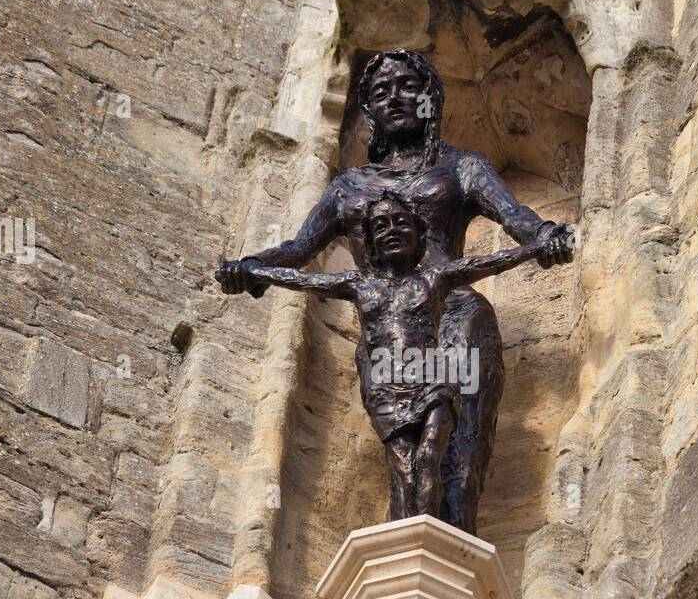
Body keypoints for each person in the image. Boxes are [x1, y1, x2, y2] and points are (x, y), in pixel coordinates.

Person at [216, 49, 575, 533]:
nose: (396, 98)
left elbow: (517, 220)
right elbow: (301, 248)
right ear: (368, 110)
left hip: (456, 312)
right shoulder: (350, 186)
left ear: (431, 98)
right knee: (404, 451)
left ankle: (452, 547)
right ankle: (409, 552)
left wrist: (545, 237)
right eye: (381, 92)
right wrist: (252, 267)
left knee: (457, 448)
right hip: (388, 326)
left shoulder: (462, 167)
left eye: (409, 86)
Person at [220, 192, 558, 521]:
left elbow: (489, 262)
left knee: (428, 457)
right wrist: (254, 271)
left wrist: (537, 247)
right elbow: (302, 277)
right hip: (388, 381)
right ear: (370, 243)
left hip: (431, 375)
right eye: (381, 226)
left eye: (400, 222)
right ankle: (408, 545)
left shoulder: (434, 278)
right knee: (403, 467)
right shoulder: (360, 284)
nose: (392, 230)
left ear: (419, 234)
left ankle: (426, 545)